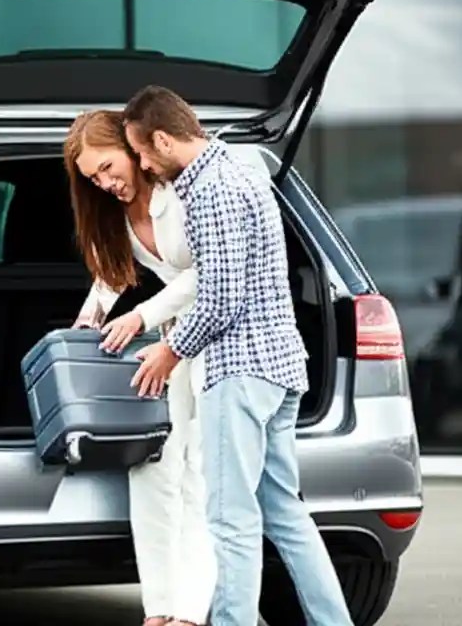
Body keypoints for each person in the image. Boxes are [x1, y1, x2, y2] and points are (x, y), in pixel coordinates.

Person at [120, 85, 354, 626]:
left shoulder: (208, 191)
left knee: (229, 520)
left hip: (241, 372)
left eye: (141, 152)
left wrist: (169, 352)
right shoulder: (244, 166)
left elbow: (222, 296)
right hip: (281, 368)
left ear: (161, 138)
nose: (142, 165)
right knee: (285, 514)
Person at [63, 110, 217, 626]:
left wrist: (143, 315)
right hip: (171, 344)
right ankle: (158, 610)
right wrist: (85, 329)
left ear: (134, 150)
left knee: (200, 476)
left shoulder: (184, 190)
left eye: (108, 167)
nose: (106, 184)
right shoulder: (113, 212)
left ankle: (190, 614)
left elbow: (212, 273)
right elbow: (108, 277)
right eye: (93, 179)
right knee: (151, 469)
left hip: (218, 340)